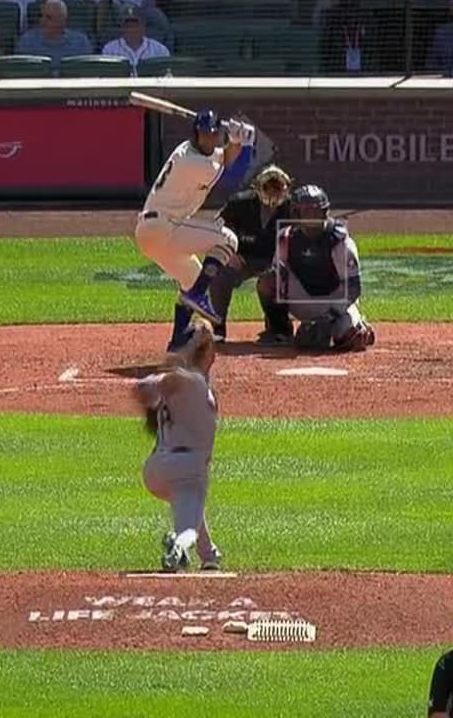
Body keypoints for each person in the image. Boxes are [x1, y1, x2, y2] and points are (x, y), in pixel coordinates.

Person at [134, 109, 255, 352]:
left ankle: (177, 341)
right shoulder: (193, 162)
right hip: (163, 226)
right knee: (228, 240)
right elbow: (232, 173)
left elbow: (224, 157)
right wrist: (244, 143)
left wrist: (236, 140)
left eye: (212, 134)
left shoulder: (190, 151)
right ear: (196, 134)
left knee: (192, 279)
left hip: (153, 232)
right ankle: (197, 295)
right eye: (203, 134)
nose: (208, 139)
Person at [134, 319, 224, 573]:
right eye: (211, 348)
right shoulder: (194, 384)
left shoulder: (177, 380)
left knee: (189, 503)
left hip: (155, 469)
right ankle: (178, 545)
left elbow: (142, 388)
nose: (215, 354)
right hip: (187, 465)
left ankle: (209, 555)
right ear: (204, 353)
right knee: (188, 528)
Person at [258, 185, 376, 352]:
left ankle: (360, 328)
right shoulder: (286, 238)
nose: (311, 216)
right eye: (306, 211)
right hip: (302, 298)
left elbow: (353, 288)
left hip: (335, 303)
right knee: (268, 280)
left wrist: (329, 317)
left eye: (315, 211)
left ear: (325, 212)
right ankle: (280, 331)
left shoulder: (339, 241)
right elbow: (278, 275)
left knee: (349, 338)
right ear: (296, 213)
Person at [209, 165, 294, 344]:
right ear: (258, 187)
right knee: (218, 272)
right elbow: (216, 229)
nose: (273, 192)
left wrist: (283, 263)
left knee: (271, 280)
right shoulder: (239, 203)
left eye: (277, 187)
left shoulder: (293, 209)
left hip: (276, 261)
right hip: (243, 258)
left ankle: (279, 329)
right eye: (268, 187)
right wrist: (229, 252)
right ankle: (217, 327)